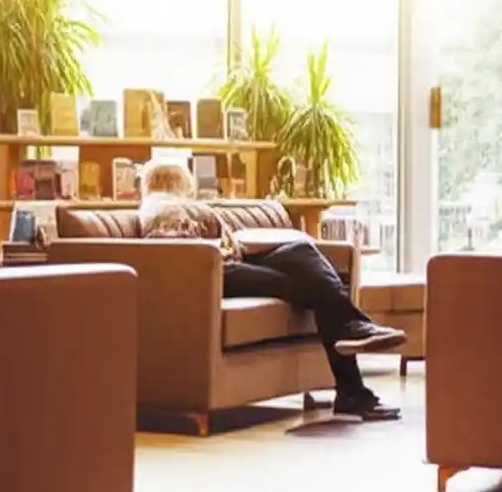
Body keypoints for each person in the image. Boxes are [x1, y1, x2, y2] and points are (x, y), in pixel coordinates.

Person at [139, 163, 405, 421]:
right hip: (216, 274)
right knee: (312, 287)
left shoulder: (192, 208)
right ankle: (352, 377)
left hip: (235, 262)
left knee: (302, 251)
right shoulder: (158, 209)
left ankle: (352, 339)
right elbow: (174, 255)